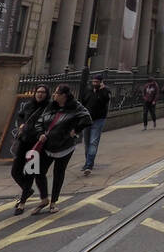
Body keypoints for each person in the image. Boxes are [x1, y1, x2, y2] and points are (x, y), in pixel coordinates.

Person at [31, 84, 91, 213]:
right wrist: (40, 133)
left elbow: (87, 119)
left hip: (65, 146)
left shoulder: (75, 106)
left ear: (64, 95)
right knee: (38, 171)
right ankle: (44, 199)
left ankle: (53, 202)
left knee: (59, 173)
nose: (54, 95)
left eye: (56, 93)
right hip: (48, 145)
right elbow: (40, 122)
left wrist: (75, 130)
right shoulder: (51, 106)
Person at [11, 85, 51, 213]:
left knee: (30, 172)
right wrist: (21, 124)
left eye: (43, 92)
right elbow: (20, 116)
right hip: (24, 141)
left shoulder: (48, 108)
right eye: (38, 92)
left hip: (36, 145)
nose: (40, 94)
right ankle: (28, 191)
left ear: (47, 94)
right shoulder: (29, 105)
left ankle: (22, 203)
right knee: (15, 171)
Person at [81, 75, 109, 175]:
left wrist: (100, 91)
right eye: (93, 81)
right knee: (87, 143)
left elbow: (104, 101)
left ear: (101, 82)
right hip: (87, 120)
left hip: (99, 120)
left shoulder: (106, 91)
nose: (95, 83)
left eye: (97, 82)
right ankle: (88, 162)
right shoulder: (87, 90)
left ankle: (88, 165)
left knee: (93, 142)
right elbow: (83, 103)